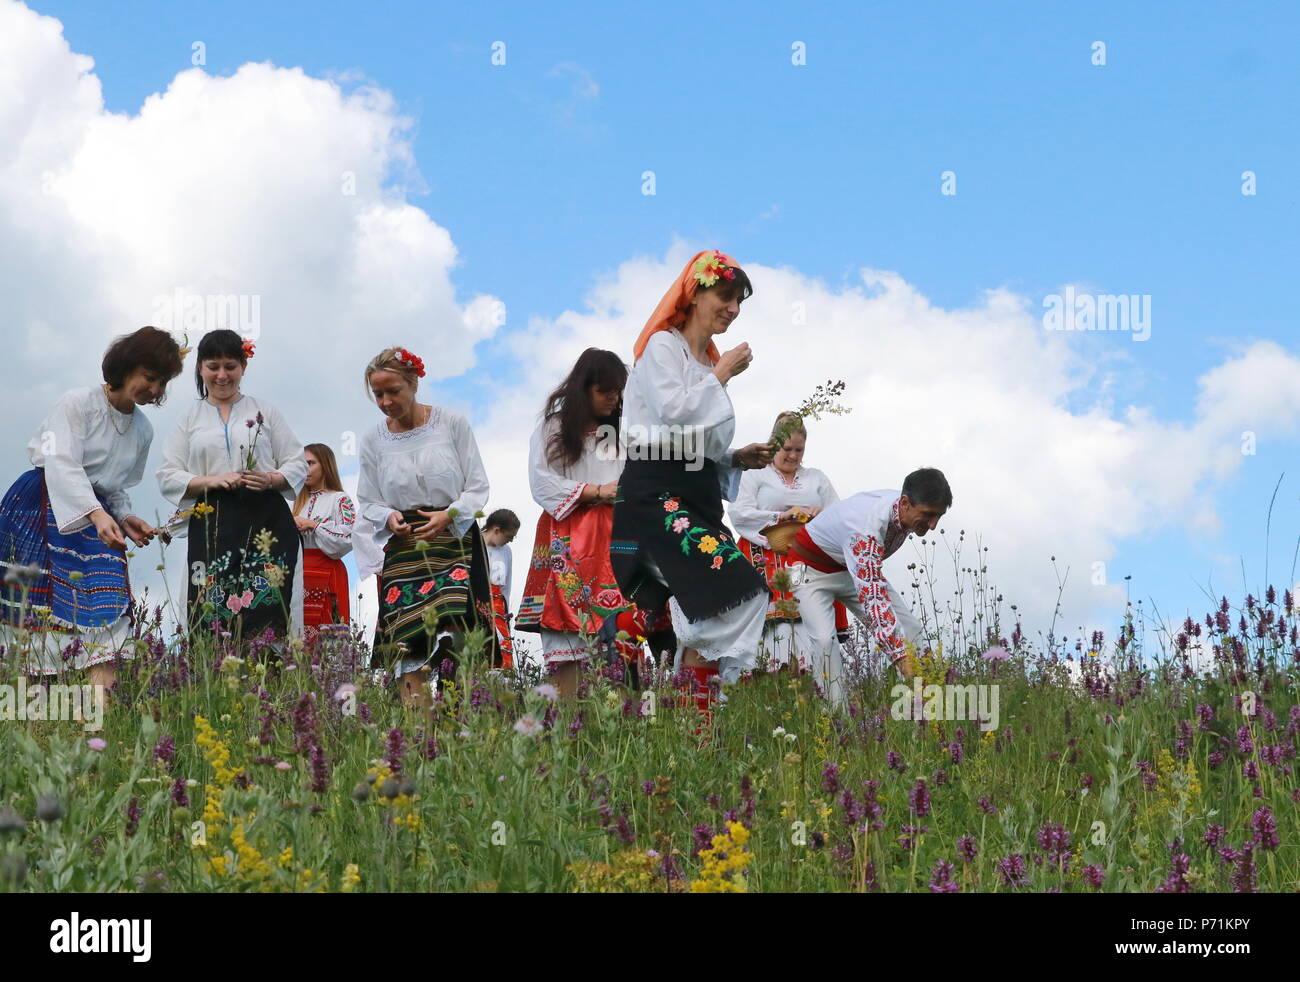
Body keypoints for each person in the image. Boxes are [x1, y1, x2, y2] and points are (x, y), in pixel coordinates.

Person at [610, 249, 774, 728]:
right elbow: (675, 412)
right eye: (725, 296)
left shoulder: (704, 360)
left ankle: (694, 724)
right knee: (737, 592)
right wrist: (721, 377)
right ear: (696, 292)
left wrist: (734, 457)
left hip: (694, 493)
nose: (733, 309)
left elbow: (699, 438)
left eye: (739, 301)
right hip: (656, 489)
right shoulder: (664, 347)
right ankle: (629, 633)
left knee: (717, 601)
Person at [0, 326, 184, 686]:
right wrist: (97, 513)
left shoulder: (142, 430)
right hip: (38, 505)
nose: (156, 390)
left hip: (97, 519)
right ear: (127, 367)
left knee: (110, 612)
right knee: (34, 610)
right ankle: (32, 717)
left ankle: (97, 724)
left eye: (163, 383)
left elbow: (114, 488)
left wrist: (125, 516)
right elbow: (60, 463)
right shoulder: (77, 403)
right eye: (150, 378)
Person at [353, 346, 494, 711]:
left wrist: (449, 514)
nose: (385, 401)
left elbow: (478, 487)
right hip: (405, 544)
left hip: (456, 535)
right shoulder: (372, 440)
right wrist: (388, 517)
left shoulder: (451, 423)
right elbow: (367, 499)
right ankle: (417, 734)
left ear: (414, 383)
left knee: (463, 636)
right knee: (407, 640)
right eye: (378, 394)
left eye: (393, 391)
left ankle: (462, 722)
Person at [157, 330, 308, 642]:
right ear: (200, 368)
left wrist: (271, 478)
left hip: (266, 521)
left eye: (230, 366)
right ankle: (214, 681)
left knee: (269, 611)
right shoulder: (188, 418)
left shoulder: (265, 412)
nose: (222, 375)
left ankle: (272, 680)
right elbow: (168, 474)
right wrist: (210, 480)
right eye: (213, 367)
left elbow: (296, 461)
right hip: (212, 522)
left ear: (243, 367)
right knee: (208, 610)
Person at [516, 348, 637, 698]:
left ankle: (626, 728)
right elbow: (541, 482)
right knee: (568, 637)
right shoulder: (553, 428)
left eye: (618, 393)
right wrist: (596, 491)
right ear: (583, 389)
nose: (613, 401)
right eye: (605, 392)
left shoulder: (621, 433)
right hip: (567, 534)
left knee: (623, 634)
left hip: (616, 537)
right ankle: (566, 729)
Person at [790, 468, 952, 707]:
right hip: (806, 569)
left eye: (938, 516)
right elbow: (874, 602)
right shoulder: (865, 530)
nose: (933, 525)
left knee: (910, 628)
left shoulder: (903, 507)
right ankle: (837, 722)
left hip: (848, 567)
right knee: (825, 641)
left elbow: (870, 575)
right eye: (928, 515)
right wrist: (903, 661)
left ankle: (922, 709)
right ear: (905, 503)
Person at [729, 410, 848, 672]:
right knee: (772, 627)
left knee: (812, 621)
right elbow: (739, 512)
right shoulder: (755, 475)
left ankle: (817, 685)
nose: (793, 456)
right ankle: (765, 681)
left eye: (799, 450)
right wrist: (782, 516)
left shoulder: (816, 478)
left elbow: (840, 516)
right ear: (774, 445)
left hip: (808, 558)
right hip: (765, 555)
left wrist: (821, 514)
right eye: (787, 448)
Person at [292, 443, 355, 632]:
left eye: (310, 463)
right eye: (302, 464)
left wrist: (314, 525)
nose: (305, 469)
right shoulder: (296, 502)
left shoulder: (340, 499)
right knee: (298, 635)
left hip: (328, 571)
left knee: (328, 637)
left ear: (325, 465)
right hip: (300, 575)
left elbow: (349, 538)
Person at [481, 508, 520, 671]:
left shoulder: (506, 552)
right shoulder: (471, 543)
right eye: (508, 537)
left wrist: (506, 615)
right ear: (497, 530)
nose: (510, 541)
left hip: (498, 609)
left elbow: (507, 587)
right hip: (478, 605)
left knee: (500, 659)